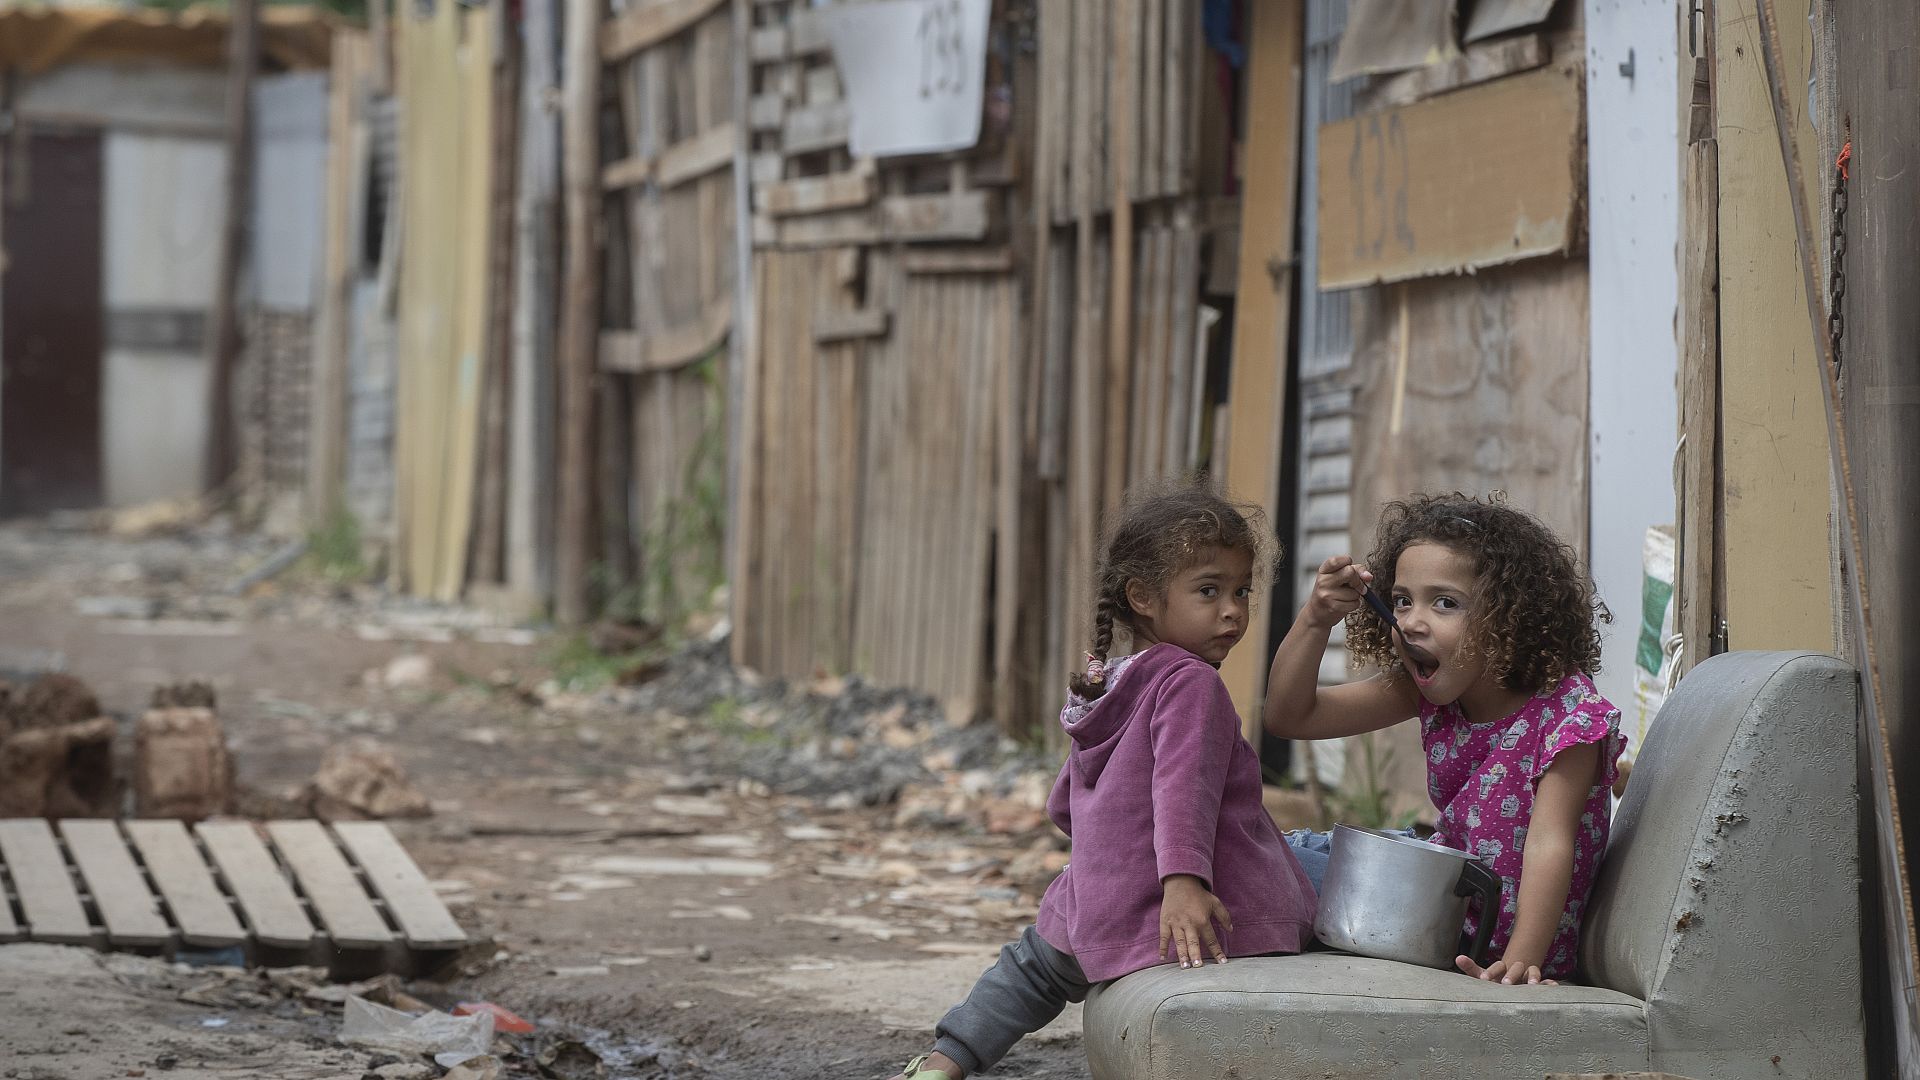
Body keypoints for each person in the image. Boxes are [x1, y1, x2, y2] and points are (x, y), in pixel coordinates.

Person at [889, 480, 1316, 1079]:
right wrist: (1182, 883)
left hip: (1098, 901)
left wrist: (1106, 861)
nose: (1233, 610)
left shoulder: (1107, 685)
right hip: (1183, 903)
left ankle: (942, 1063)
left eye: (1242, 590)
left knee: (1032, 968)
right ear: (1142, 596)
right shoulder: (1191, 682)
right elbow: (1185, 790)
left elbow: (1064, 804)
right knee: (1324, 876)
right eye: (1208, 590)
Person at [1266, 493, 1624, 986]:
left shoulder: (1570, 717)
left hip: (1484, 937)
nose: (1412, 622)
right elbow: (1290, 717)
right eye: (1401, 600)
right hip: (1438, 898)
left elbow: (1549, 843)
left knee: (1262, 867)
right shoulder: (1428, 692)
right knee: (1268, 852)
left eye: (1445, 603)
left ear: (1509, 617)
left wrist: (1520, 961)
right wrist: (1315, 619)